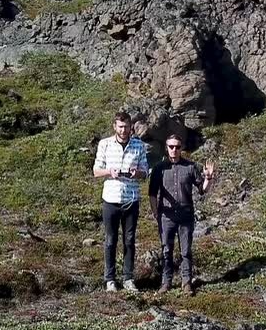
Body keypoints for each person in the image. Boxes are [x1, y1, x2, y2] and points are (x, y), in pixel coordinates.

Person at [148, 134, 217, 296]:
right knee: (166, 250)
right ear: (167, 147)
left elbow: (202, 190)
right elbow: (152, 193)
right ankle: (166, 283)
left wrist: (208, 177)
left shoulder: (190, 167)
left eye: (177, 147)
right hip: (166, 216)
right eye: (171, 146)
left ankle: (186, 283)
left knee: (185, 251)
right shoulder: (159, 168)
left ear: (181, 148)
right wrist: (155, 212)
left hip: (185, 215)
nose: (174, 150)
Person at [93, 112, 148, 292]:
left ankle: (128, 278)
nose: (124, 130)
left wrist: (136, 173)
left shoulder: (139, 145)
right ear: (115, 127)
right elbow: (95, 171)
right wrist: (110, 171)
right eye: (120, 127)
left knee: (130, 240)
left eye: (126, 127)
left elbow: (145, 172)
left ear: (131, 127)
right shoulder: (105, 144)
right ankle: (110, 279)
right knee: (110, 240)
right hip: (111, 198)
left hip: (131, 199)